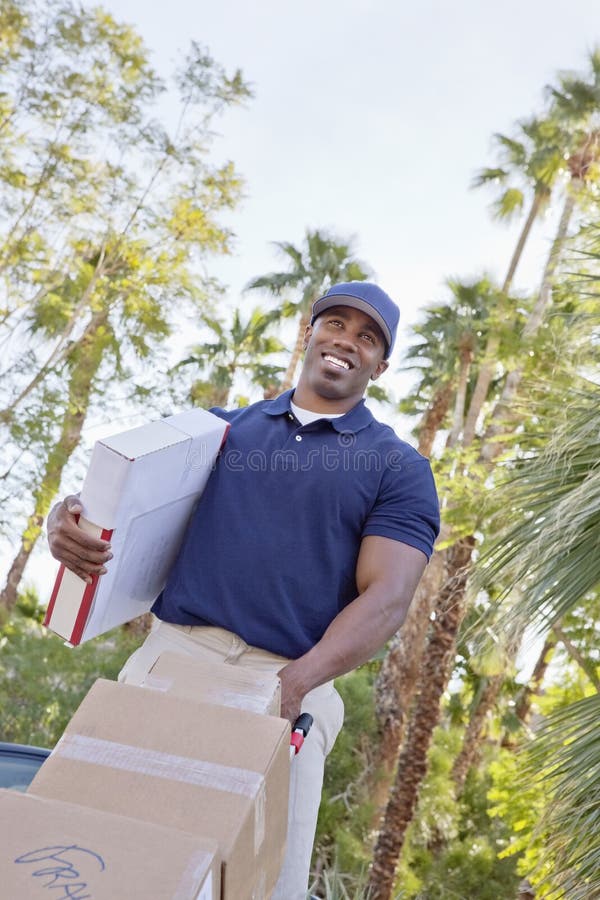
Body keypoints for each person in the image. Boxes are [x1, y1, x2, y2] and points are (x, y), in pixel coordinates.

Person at [48, 281, 440, 900]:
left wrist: (296, 684)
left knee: (254, 890)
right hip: (173, 659)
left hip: (285, 683)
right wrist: (65, 520)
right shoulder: (217, 431)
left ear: (380, 366)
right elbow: (120, 501)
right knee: (98, 864)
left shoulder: (399, 468)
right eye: (335, 323)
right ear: (309, 333)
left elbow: (387, 598)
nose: (347, 342)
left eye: (368, 337)